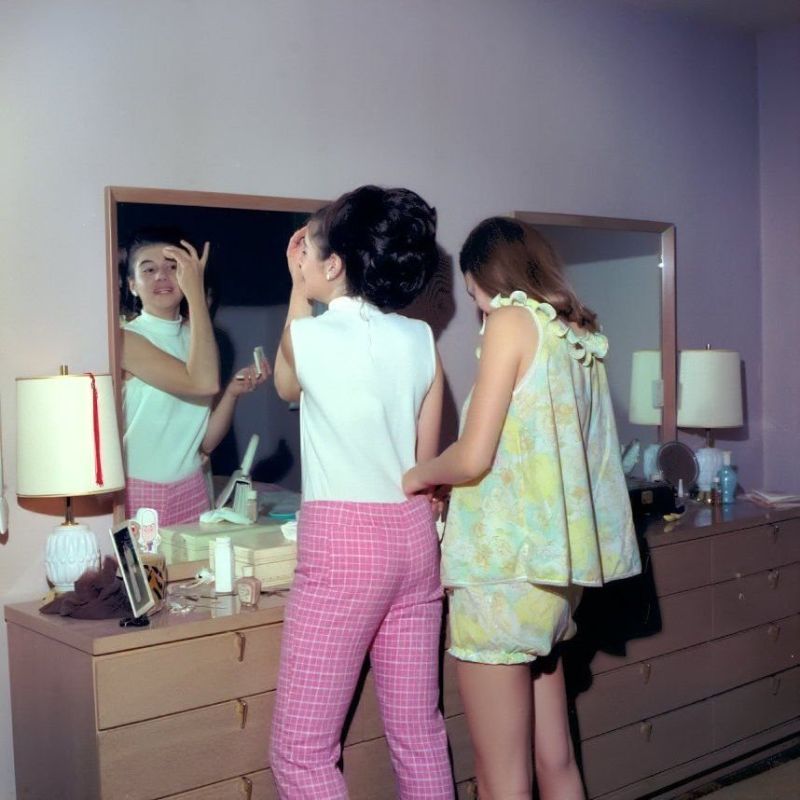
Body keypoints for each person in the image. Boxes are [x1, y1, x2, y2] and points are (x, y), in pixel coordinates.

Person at [403, 217, 641, 800]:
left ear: (488, 277)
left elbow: (474, 455)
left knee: (501, 779)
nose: (478, 309)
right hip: (552, 580)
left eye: (472, 294)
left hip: (501, 573)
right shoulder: (575, 334)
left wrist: (417, 473)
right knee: (555, 761)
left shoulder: (512, 320)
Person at [270, 185, 454, 799]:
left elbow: (286, 388)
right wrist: (309, 276)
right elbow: (423, 467)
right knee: (419, 733)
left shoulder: (312, 337)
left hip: (344, 550)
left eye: (312, 249)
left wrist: (298, 289)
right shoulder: (421, 341)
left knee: (301, 752)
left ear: (334, 264)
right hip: (412, 542)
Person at [120, 229, 269, 526]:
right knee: (147, 574)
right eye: (149, 269)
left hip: (192, 487)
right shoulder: (126, 339)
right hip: (141, 490)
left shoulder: (196, 336)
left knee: (200, 574)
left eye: (173, 267)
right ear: (132, 285)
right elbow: (202, 383)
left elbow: (205, 444)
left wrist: (231, 394)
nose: (162, 275)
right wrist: (196, 294)